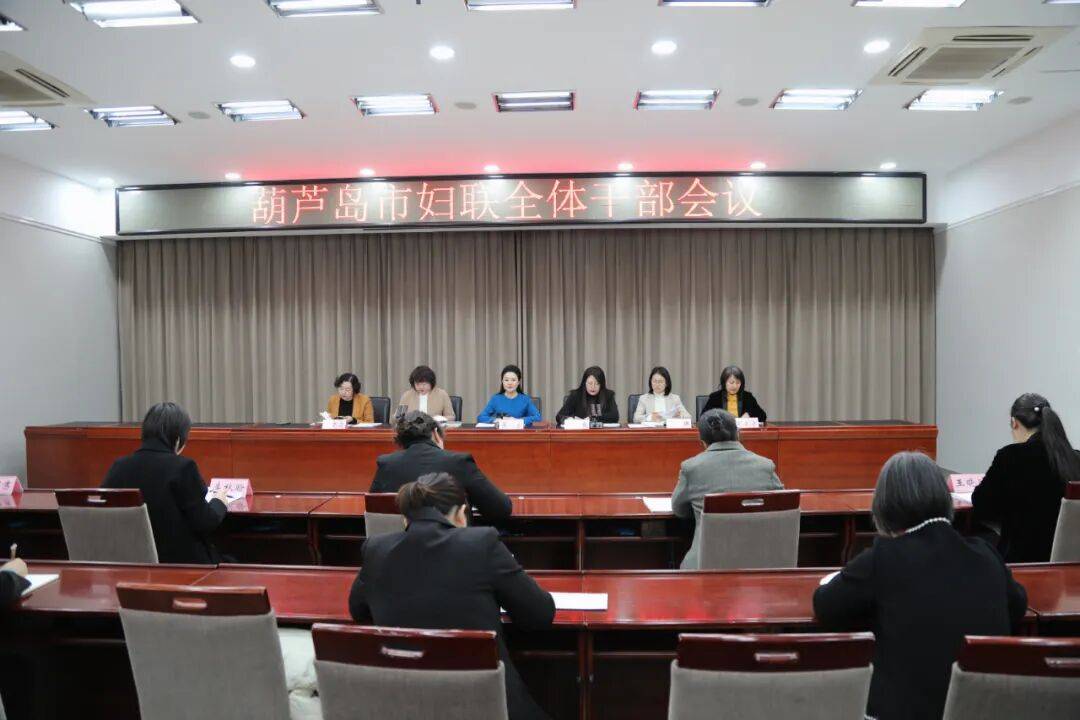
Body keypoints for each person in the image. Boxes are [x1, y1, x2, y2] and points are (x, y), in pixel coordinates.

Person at [814, 452, 1027, 720]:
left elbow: (826, 606)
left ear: (885, 505)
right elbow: (1018, 606)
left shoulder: (883, 557)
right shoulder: (985, 553)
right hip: (984, 710)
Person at [349, 474, 555, 720]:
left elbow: (357, 611)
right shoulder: (482, 543)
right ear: (462, 514)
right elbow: (540, 614)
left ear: (405, 518)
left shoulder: (376, 550)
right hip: (488, 707)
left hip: (409, 707)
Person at [101, 402, 229, 564]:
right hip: (184, 566)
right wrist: (220, 501)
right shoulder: (183, 467)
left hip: (130, 563)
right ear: (178, 440)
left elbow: (104, 515)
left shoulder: (119, 466)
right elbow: (205, 521)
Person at [972, 393, 1080, 562]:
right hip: (1069, 563)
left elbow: (982, 505)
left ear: (1014, 422)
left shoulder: (1010, 457)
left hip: (1021, 562)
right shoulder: (1074, 458)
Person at [671, 409, 782, 569]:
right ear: (738, 433)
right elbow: (782, 507)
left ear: (702, 441)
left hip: (706, 565)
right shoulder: (765, 465)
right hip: (760, 564)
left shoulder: (691, 468)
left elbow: (679, 510)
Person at [370, 411, 511, 522]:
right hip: (453, 546)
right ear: (436, 433)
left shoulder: (387, 464)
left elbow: (373, 511)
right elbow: (501, 509)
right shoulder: (458, 462)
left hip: (404, 546)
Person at [478, 364, 542, 426]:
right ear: (502, 381)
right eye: (506, 380)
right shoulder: (495, 399)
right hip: (501, 432)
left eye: (513, 380)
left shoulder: (525, 399)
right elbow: (481, 417)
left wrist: (518, 420)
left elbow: (538, 417)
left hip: (519, 432)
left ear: (518, 382)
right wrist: (496, 420)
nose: (509, 383)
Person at [702, 365, 767, 423]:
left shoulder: (748, 397)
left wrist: (749, 414)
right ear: (724, 382)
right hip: (722, 431)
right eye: (731, 382)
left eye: (738, 383)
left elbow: (763, 416)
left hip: (742, 431)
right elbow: (703, 417)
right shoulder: (715, 397)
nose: (734, 386)